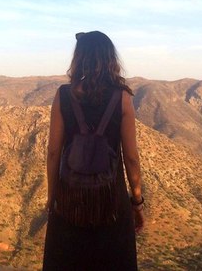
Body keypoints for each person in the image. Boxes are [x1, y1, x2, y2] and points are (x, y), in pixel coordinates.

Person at [42, 31, 144, 271]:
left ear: (79, 58)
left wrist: (53, 197)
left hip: (70, 202)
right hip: (111, 203)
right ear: (110, 59)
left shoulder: (63, 95)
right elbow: (131, 157)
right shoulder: (122, 98)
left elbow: (53, 152)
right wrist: (137, 201)